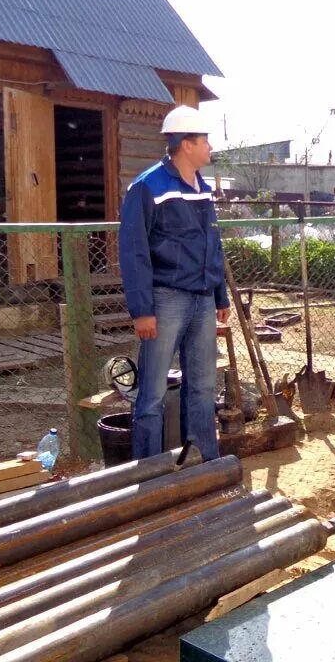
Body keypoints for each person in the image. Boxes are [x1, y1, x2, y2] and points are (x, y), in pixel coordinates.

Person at [119, 105, 228, 460]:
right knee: (151, 392)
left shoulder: (203, 188)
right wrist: (142, 310)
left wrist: (220, 294)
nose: (210, 147)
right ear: (186, 145)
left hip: (202, 299)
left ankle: (202, 462)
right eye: (205, 140)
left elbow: (213, 243)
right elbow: (133, 251)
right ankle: (146, 470)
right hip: (165, 299)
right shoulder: (148, 187)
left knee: (203, 387)